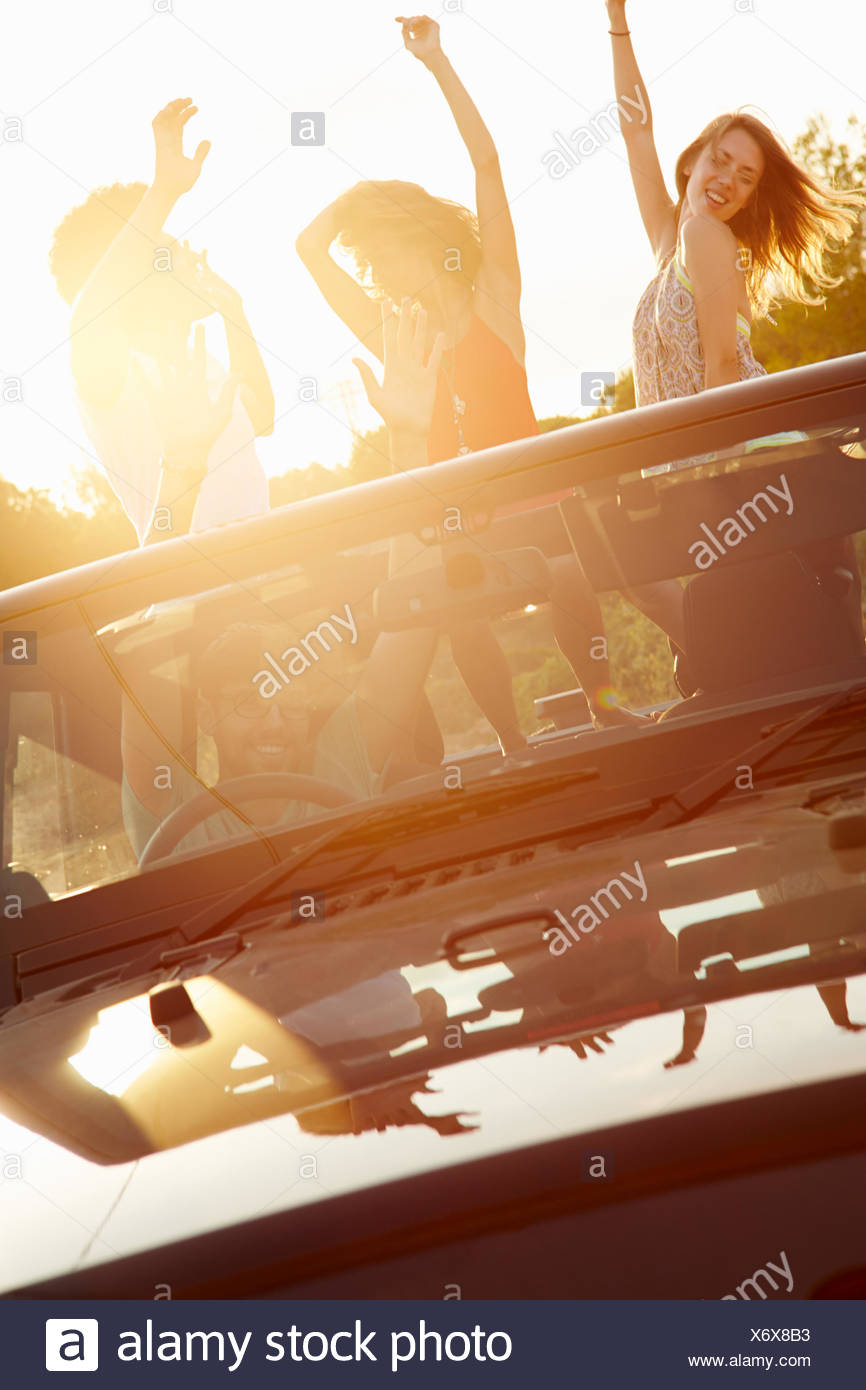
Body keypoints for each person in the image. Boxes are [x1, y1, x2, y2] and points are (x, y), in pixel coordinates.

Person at [297, 14, 632, 743]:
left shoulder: (494, 298)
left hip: (533, 492)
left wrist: (437, 62)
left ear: (421, 243)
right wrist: (359, 201)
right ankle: (514, 748)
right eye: (370, 266)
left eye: (383, 257)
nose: (375, 276)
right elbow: (308, 247)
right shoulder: (396, 333)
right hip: (454, 515)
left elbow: (487, 166)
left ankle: (605, 707)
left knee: (570, 577)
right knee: (459, 613)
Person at [120, 300, 448, 861]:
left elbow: (415, 618)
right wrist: (181, 469)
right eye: (249, 703)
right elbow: (142, 633)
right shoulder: (170, 809)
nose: (276, 724)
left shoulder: (340, 760)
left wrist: (411, 440)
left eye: (291, 703)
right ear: (206, 714)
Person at [604, 0, 865, 655]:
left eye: (745, 178)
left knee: (755, 610)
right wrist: (617, 21)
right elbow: (637, 133)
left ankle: (719, 667)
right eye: (720, 160)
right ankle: (709, 662)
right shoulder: (672, 239)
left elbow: (723, 367)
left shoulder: (706, 238)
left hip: (739, 451)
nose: (727, 180)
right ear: (693, 160)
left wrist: (720, 485)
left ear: (747, 199)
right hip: (701, 460)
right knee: (641, 575)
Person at [49, 98, 274, 547]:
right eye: (171, 250)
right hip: (188, 603)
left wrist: (236, 314)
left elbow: (262, 417)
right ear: (134, 272)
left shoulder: (195, 359)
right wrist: (163, 192)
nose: (192, 256)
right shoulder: (112, 373)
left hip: (264, 580)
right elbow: (91, 312)